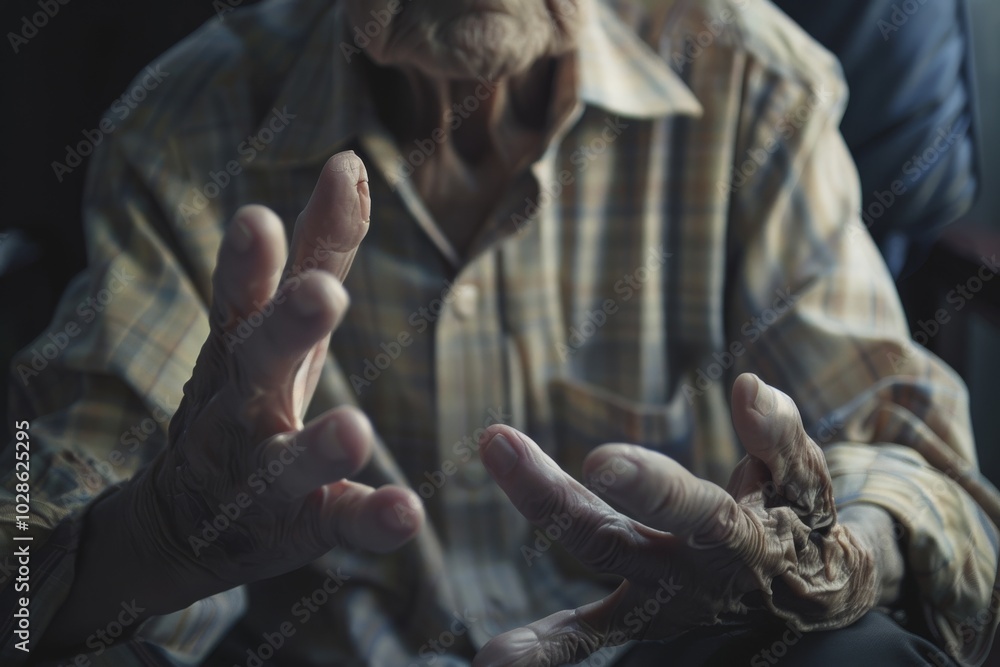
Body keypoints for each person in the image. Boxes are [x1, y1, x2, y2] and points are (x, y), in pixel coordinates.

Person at [3, 0, 999, 664]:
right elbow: (21, 572)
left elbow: (934, 481)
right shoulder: (186, 122)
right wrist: (163, 532)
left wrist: (824, 559)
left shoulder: (750, 85)